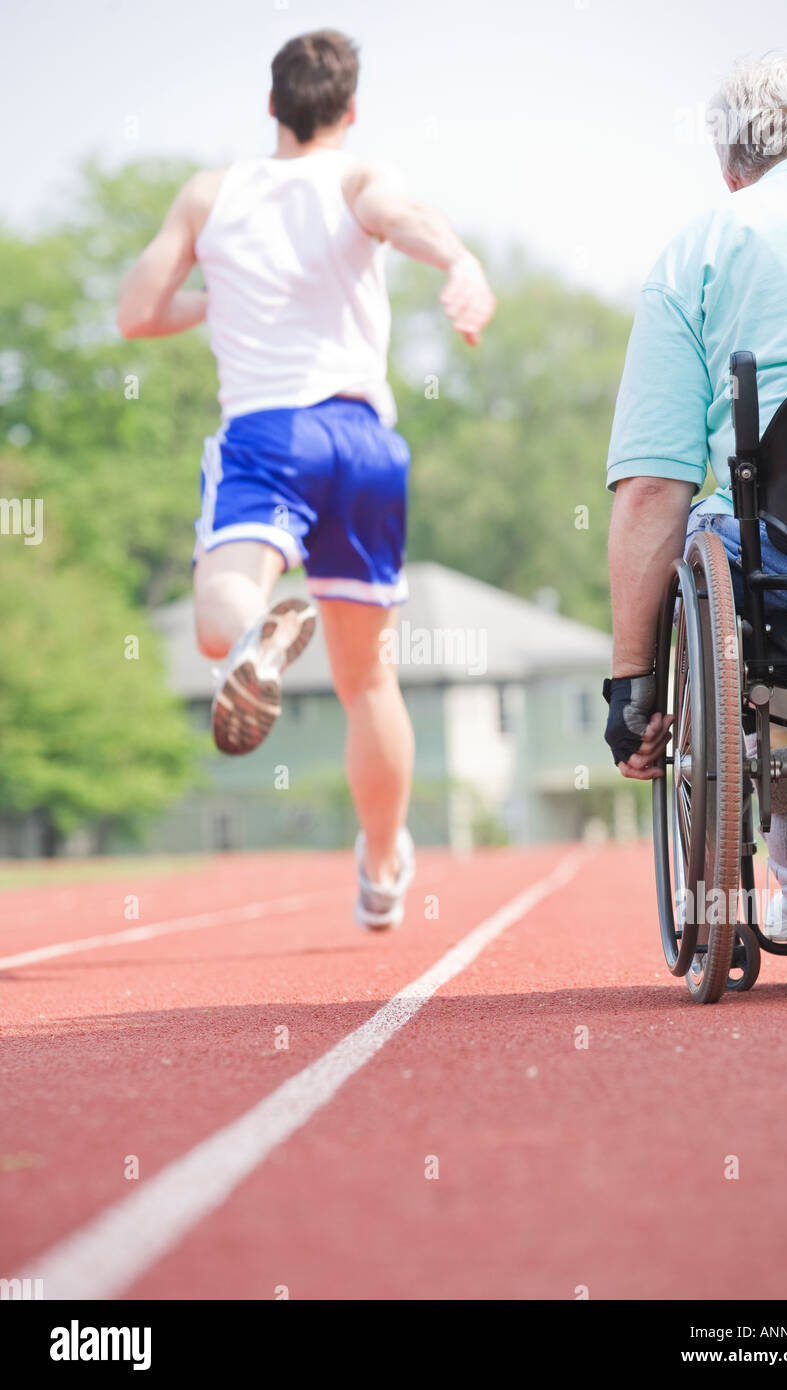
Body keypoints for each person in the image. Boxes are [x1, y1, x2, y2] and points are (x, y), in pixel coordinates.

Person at [117, 28, 495, 929]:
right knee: (370, 682)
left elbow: (136, 313)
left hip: (267, 435)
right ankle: (381, 867)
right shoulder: (360, 177)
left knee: (221, 615)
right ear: (349, 111)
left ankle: (254, 635)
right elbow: (404, 219)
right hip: (361, 440)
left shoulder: (212, 193)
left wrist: (224, 295)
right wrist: (460, 263)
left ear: (272, 107)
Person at [603, 52, 787, 941]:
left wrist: (633, 685)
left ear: (732, 174)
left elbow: (651, 488)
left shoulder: (703, 247)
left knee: (742, 542)